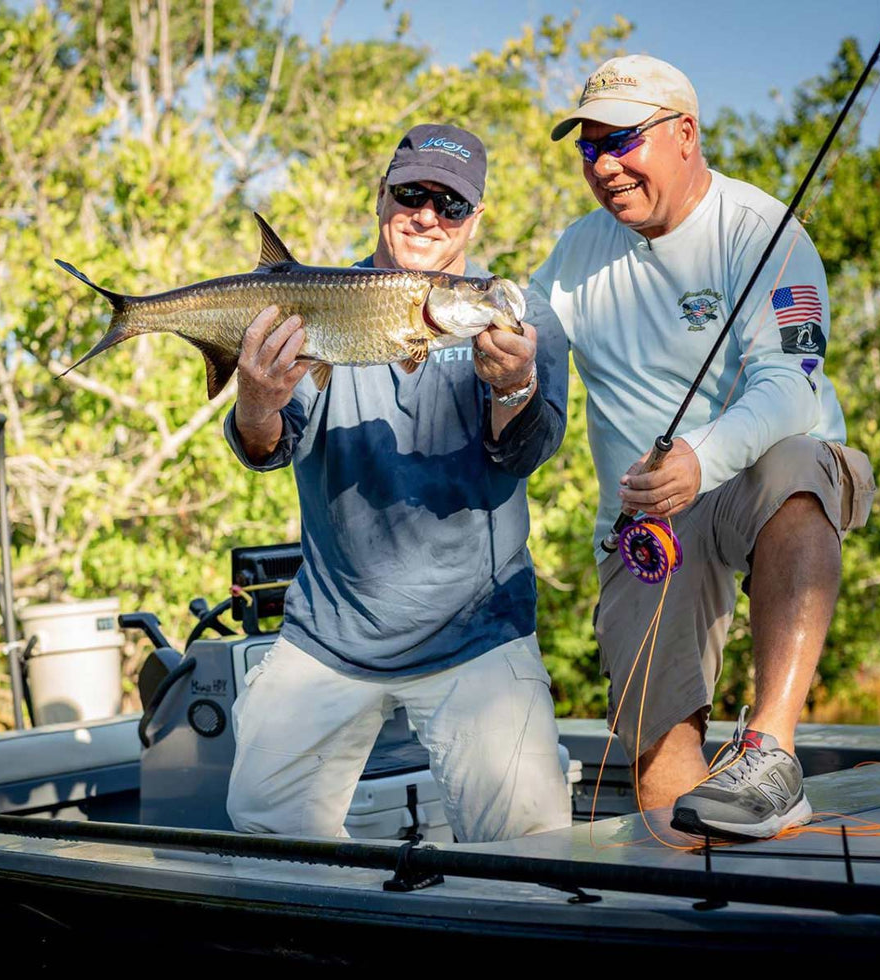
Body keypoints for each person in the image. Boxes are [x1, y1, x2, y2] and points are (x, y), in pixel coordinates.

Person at [531, 56, 875, 839]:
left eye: (622, 139)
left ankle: (771, 752)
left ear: (685, 134)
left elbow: (792, 387)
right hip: (648, 523)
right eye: (588, 148)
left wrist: (697, 457)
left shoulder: (764, 232)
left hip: (757, 478)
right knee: (659, 769)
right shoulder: (573, 256)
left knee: (795, 461)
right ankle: (694, 905)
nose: (604, 166)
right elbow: (517, 342)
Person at [224, 123, 572, 843]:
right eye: (412, 193)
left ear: (476, 219)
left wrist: (513, 387)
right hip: (331, 632)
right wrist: (256, 401)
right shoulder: (317, 303)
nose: (427, 215)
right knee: (264, 840)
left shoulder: (519, 317)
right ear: (380, 196)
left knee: (533, 849)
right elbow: (268, 449)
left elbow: (526, 453)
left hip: (479, 632)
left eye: (450, 204)